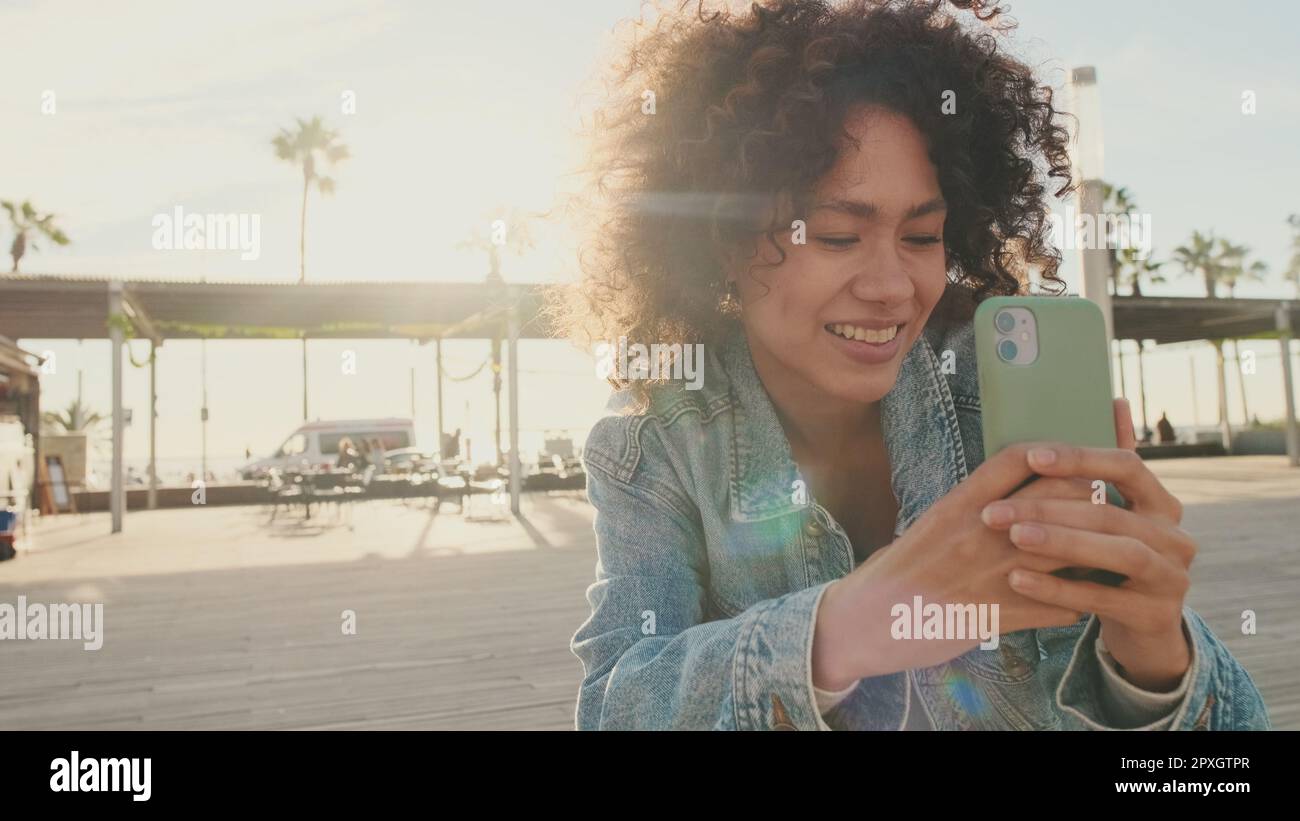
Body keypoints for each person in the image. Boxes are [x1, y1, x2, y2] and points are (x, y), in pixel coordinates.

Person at [552, 0, 1268, 730]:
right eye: (836, 235)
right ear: (723, 243)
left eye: (922, 235)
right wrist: (845, 628)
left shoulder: (1002, 413)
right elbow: (619, 703)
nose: (893, 286)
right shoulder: (656, 440)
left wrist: (1154, 662)